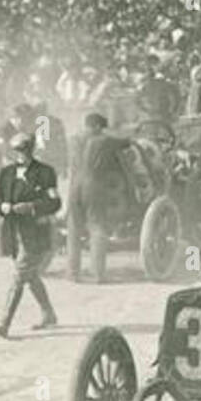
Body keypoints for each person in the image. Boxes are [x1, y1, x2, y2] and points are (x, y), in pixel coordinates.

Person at [0, 132, 61, 338]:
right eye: (17, 151)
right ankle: (49, 314)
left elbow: (55, 203)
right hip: (13, 233)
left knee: (19, 276)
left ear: (32, 150)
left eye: (25, 150)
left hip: (36, 232)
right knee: (30, 275)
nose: (21, 155)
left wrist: (31, 207)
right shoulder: (6, 173)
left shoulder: (46, 172)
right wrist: (2, 207)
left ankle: (5, 323)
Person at [67, 112, 135, 283]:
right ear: (97, 127)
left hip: (74, 184)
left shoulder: (74, 139)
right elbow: (127, 142)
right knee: (97, 227)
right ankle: (98, 274)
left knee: (74, 229)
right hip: (93, 184)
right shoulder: (105, 141)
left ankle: (72, 273)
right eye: (102, 128)